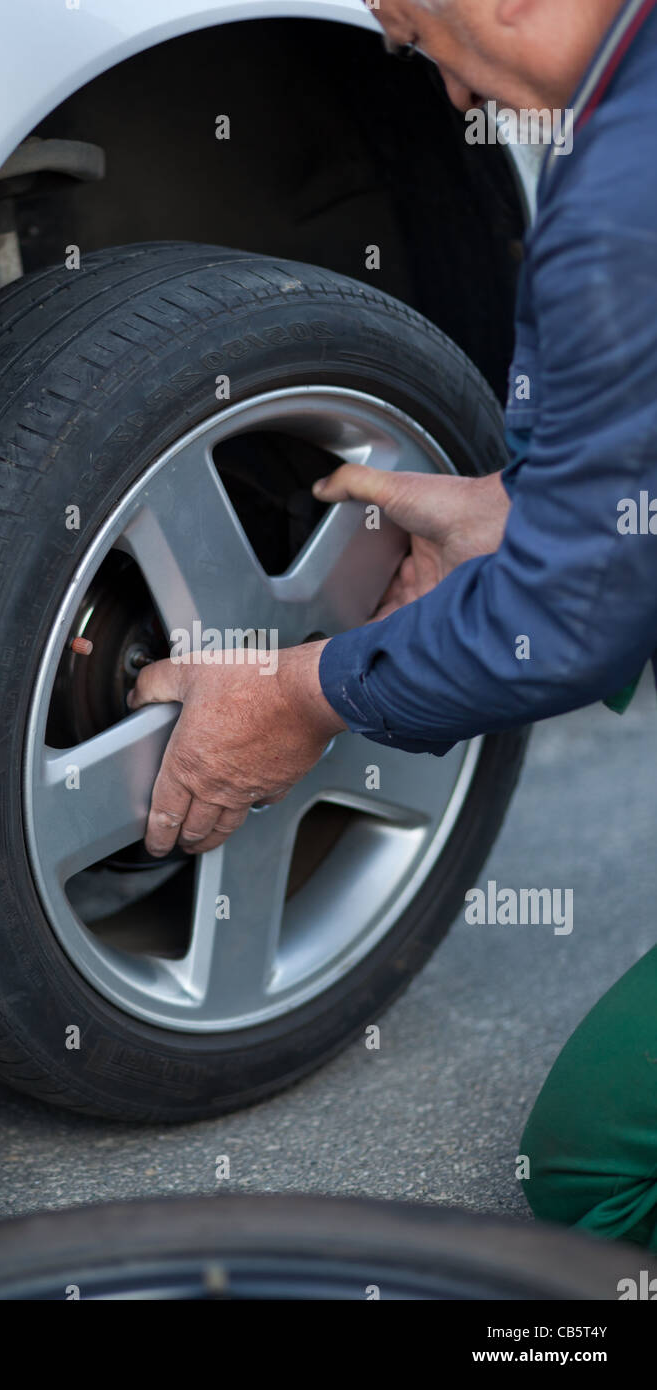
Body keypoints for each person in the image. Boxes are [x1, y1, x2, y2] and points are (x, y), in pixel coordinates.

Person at [127, 0, 657, 1251]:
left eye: (418, 46)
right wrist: (516, 509)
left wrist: (297, 692)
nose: (454, 105)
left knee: (589, 1163)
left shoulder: (619, 205)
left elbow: (564, 617)